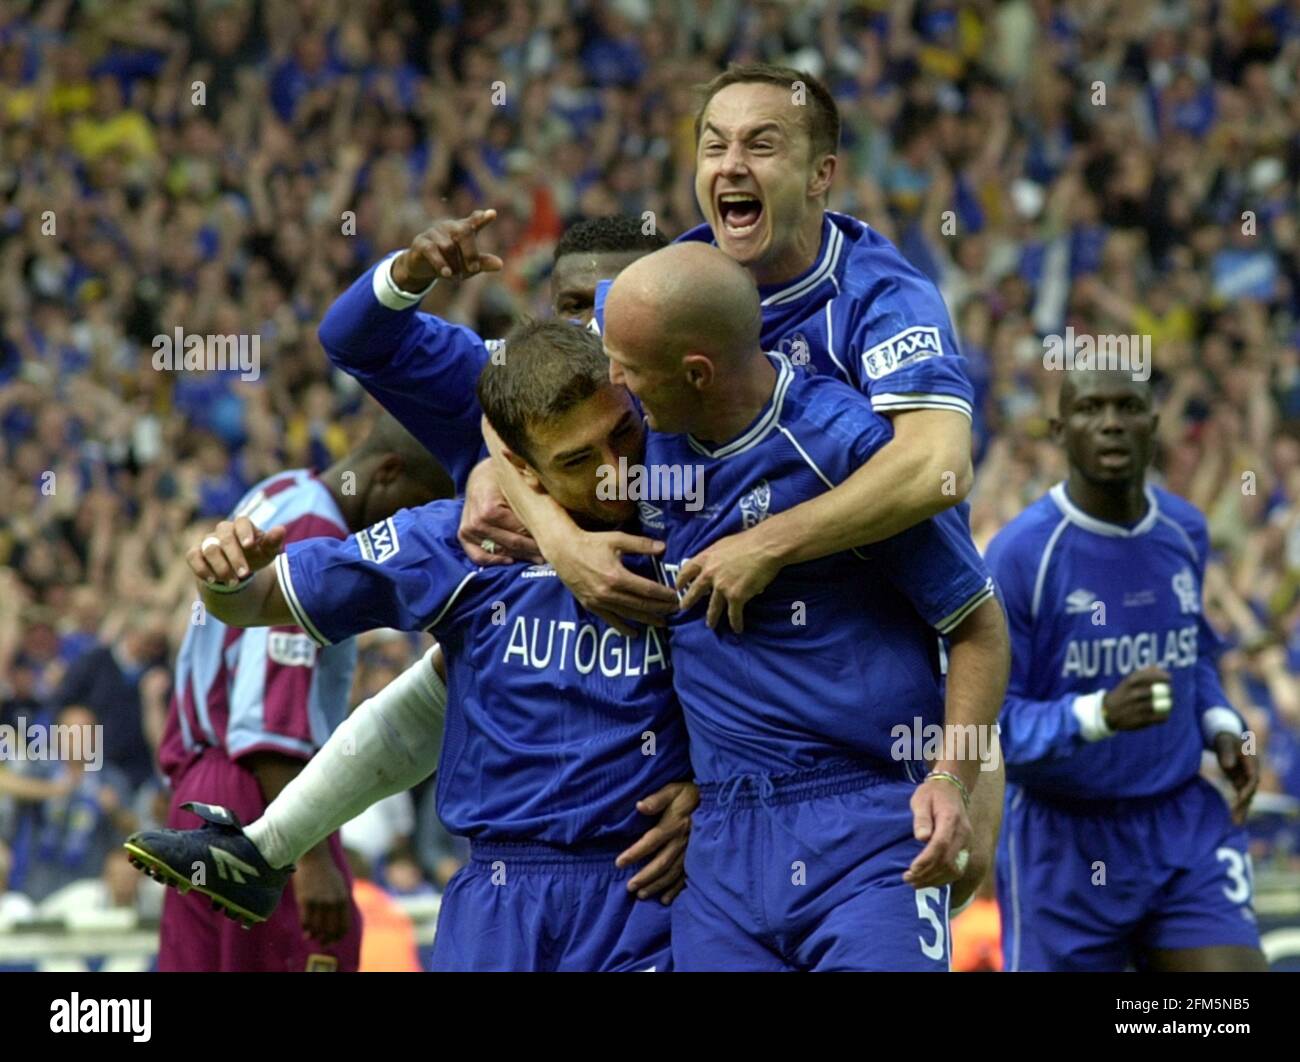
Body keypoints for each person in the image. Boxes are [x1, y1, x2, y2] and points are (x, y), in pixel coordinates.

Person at [496, 242, 1007, 969]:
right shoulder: (644, 416)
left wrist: (955, 779)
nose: (611, 385)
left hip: (865, 827)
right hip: (721, 849)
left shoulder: (845, 454)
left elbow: (980, 626)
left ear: (694, 373)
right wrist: (548, 527)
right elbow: (500, 388)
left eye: (627, 374)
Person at [126, 322, 695, 972]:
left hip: (647, 890)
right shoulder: (464, 542)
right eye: (575, 461)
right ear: (517, 467)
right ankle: (262, 847)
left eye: (624, 437)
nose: (614, 474)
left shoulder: (696, 517)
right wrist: (219, 579)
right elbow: (253, 603)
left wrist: (721, 793)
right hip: (499, 898)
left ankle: (262, 847)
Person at [132, 411, 452, 972]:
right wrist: (307, 858)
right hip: (257, 797)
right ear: (388, 473)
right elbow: (271, 718)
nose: (420, 530)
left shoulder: (282, 490)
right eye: (419, 508)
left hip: (208, 789)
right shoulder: (313, 535)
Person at [985, 368, 1266, 972]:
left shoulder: (1185, 530)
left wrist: (1221, 725)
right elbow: (991, 728)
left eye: (1127, 407)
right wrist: (1099, 715)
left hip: (1181, 824)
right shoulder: (1019, 556)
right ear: (1060, 430)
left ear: (1153, 424)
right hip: (1063, 846)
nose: (1111, 422)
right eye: (1090, 408)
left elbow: (1192, 654)